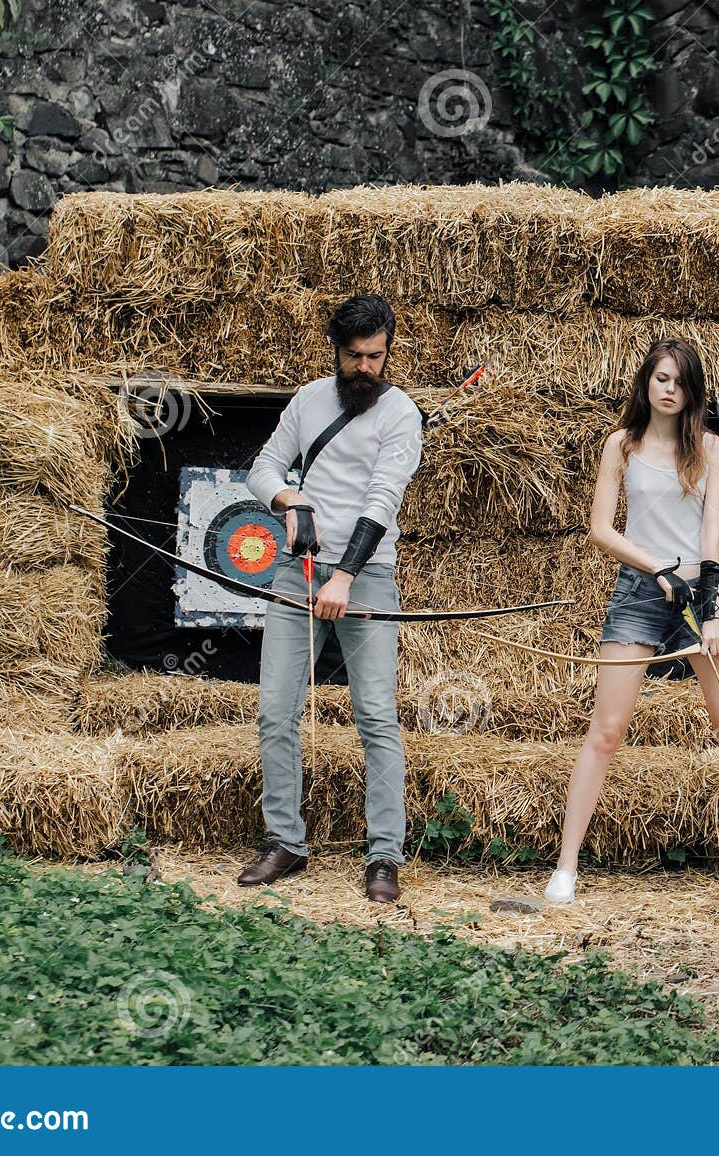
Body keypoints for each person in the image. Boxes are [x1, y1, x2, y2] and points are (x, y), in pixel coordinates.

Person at [543, 339, 719, 909]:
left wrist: (710, 611)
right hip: (642, 588)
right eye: (661, 378)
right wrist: (656, 566)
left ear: (693, 392)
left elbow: (712, 536)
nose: (668, 389)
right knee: (606, 732)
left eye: (679, 382)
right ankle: (565, 867)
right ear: (646, 383)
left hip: (698, 591)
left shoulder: (712, 449)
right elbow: (601, 530)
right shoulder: (621, 444)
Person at [238, 294, 423, 902]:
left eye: (375, 356)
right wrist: (290, 503)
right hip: (298, 572)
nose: (365, 367)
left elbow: (382, 499)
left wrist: (344, 576)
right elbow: (262, 468)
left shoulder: (401, 415)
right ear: (336, 352)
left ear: (388, 350)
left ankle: (384, 856)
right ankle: (285, 841)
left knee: (375, 714)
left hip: (365, 577)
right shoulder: (309, 400)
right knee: (276, 709)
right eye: (354, 357)